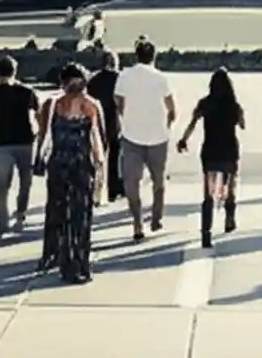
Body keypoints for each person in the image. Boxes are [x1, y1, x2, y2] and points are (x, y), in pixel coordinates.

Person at [36, 63, 104, 284]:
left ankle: (54, 255)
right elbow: (98, 141)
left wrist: (39, 159)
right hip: (81, 165)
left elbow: (43, 135)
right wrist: (101, 171)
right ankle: (77, 264)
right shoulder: (91, 105)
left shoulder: (52, 104)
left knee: (57, 212)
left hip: (58, 163)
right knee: (80, 217)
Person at [114, 39, 176, 241]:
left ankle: (137, 223)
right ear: (154, 56)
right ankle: (157, 217)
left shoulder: (125, 76)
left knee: (132, 181)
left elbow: (118, 102)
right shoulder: (161, 78)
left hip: (132, 136)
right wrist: (166, 125)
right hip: (158, 136)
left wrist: (128, 117)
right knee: (159, 180)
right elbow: (172, 108)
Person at [176, 67, 245, 248]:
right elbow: (243, 124)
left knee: (208, 192)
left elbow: (192, 123)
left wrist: (183, 140)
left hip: (210, 150)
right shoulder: (234, 105)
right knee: (230, 185)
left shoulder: (205, 103)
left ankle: (206, 232)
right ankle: (230, 216)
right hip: (229, 150)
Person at [0, 55, 41, 238]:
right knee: (25, 183)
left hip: (2, 145)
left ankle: (2, 224)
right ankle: (20, 216)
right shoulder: (27, 92)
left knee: (3, 186)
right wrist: (40, 136)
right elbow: (39, 117)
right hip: (26, 142)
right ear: (15, 71)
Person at [86, 51, 123, 203]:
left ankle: (95, 191)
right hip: (114, 120)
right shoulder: (119, 78)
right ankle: (114, 190)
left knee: (98, 159)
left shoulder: (93, 80)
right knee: (115, 157)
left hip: (96, 121)